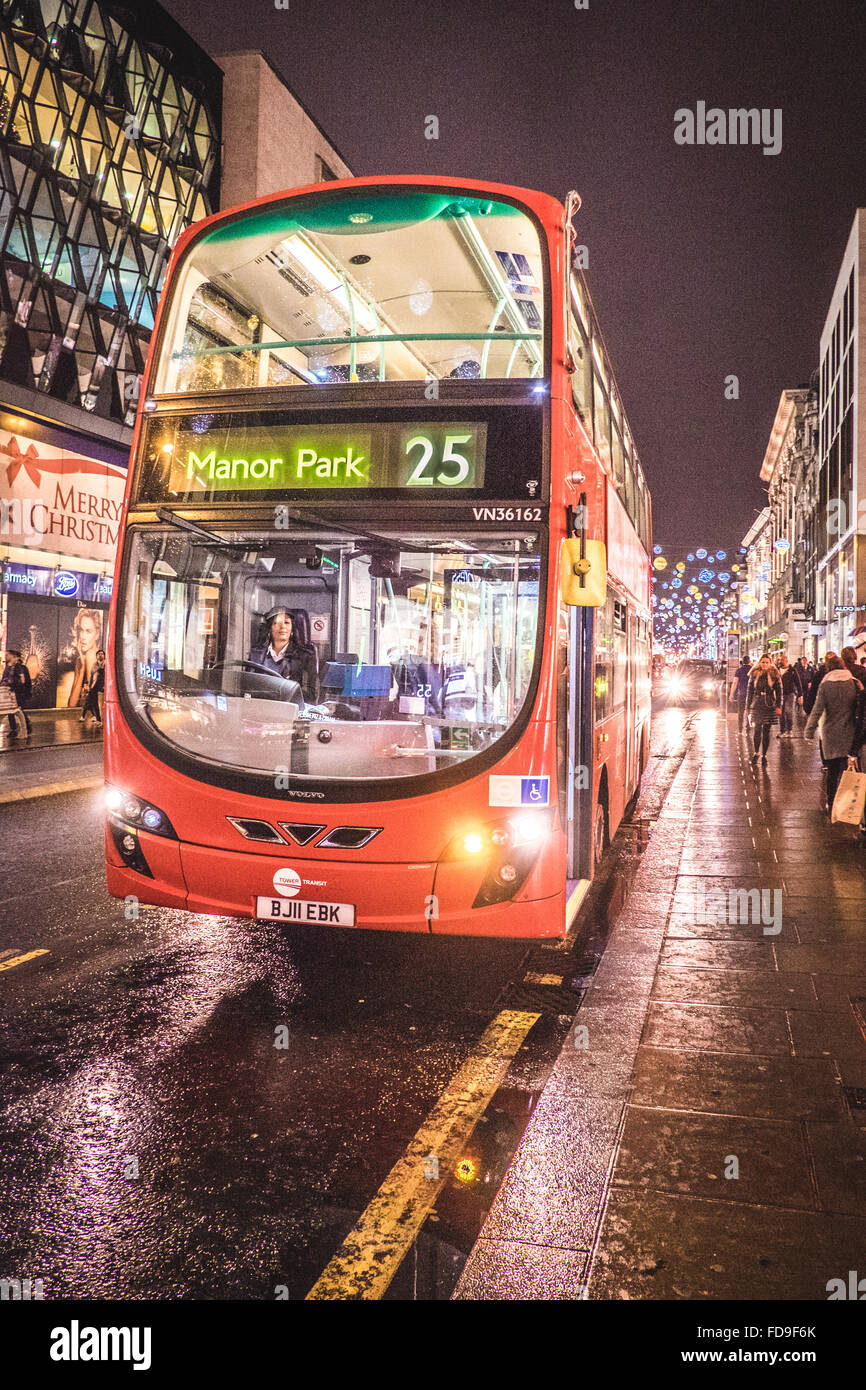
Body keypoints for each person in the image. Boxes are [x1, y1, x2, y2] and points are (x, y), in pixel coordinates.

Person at [804, 652, 860, 814]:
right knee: (848, 770)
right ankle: (848, 803)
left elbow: (817, 709)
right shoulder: (853, 683)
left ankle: (831, 801)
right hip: (850, 732)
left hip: (830, 733)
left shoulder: (825, 685)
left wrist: (809, 730)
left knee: (832, 771)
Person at [248, 606, 318, 701]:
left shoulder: (305, 657)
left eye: (286, 622)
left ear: (292, 629)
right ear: (269, 628)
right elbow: (248, 687)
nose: (283, 627)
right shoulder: (255, 655)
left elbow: (309, 694)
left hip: (289, 709)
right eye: (277, 623)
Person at [746, 653, 782, 765]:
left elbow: (779, 691)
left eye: (767, 662)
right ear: (759, 663)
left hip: (769, 704)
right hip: (757, 704)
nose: (765, 664)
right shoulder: (754, 674)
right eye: (763, 662)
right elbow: (750, 691)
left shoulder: (775, 674)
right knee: (757, 730)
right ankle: (756, 752)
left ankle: (764, 755)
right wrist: (747, 707)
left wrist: (779, 706)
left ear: (770, 663)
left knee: (767, 731)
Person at [1, 648, 32, 737]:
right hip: (9, 692)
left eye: (8, 655)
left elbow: (25, 681)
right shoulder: (8, 667)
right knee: (11, 711)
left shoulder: (21, 668)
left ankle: (26, 728)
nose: (6, 656)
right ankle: (14, 729)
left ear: (15, 657)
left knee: (18, 711)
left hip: (18, 693)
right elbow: (4, 678)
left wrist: (26, 693)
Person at [777, 654, 803, 738]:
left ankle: (789, 730)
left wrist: (800, 695)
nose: (781, 661)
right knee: (781, 712)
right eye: (780, 660)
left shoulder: (792, 670)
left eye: (782, 660)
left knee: (788, 711)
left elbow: (798, 683)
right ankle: (782, 730)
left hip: (790, 693)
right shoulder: (776, 670)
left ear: (786, 660)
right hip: (779, 694)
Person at [81, 649, 106, 728]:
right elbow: (92, 676)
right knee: (94, 703)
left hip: (103, 687)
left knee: (101, 704)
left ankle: (98, 719)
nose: (100, 655)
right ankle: (98, 719)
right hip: (94, 686)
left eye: (102, 654)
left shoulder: (106, 664)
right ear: (96, 656)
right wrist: (89, 685)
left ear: (104, 656)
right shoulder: (94, 665)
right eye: (99, 654)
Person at [730, 656, 751, 733]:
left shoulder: (739, 670)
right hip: (750, 694)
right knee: (749, 711)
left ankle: (740, 729)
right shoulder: (752, 670)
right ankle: (749, 728)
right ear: (749, 661)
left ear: (742, 662)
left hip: (741, 693)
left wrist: (731, 694)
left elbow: (735, 682)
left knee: (741, 711)